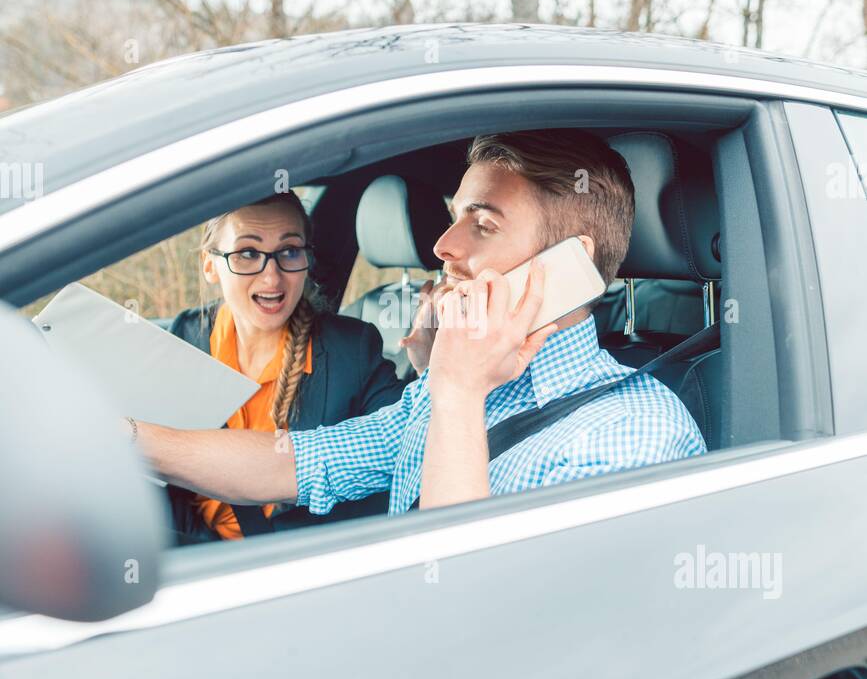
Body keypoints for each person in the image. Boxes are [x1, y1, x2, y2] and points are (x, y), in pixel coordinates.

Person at [129, 129, 707, 518]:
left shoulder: (632, 434)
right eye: (456, 217)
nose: (442, 245)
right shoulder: (453, 387)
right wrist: (125, 438)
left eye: (482, 226)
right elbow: (301, 462)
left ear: (570, 266)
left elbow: (461, 609)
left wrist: (456, 390)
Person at [163, 189, 405, 541]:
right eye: (247, 253)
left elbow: (406, 451)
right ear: (210, 264)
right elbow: (166, 487)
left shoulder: (351, 352)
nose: (272, 278)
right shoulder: (185, 339)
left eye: (289, 251)